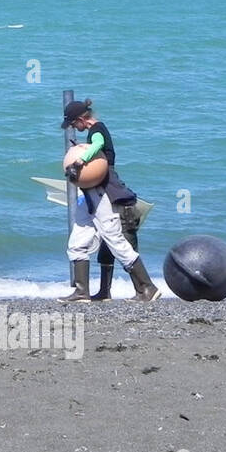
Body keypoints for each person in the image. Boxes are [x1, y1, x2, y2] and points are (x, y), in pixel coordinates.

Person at [59, 99, 160, 303]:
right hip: (88, 193)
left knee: (114, 239)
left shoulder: (97, 129)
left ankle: (147, 288)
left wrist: (79, 161)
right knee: (78, 241)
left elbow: (98, 144)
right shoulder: (91, 131)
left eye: (73, 124)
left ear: (81, 119)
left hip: (102, 191)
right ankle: (81, 292)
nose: (73, 128)